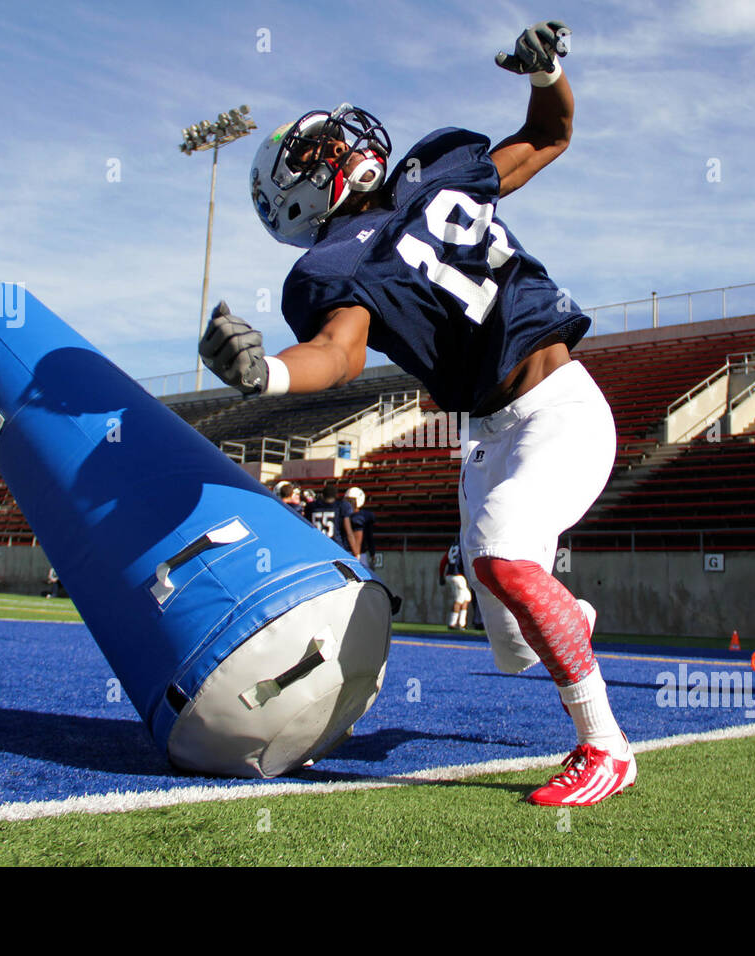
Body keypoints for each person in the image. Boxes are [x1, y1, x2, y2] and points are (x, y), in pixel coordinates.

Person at [199, 20, 631, 807]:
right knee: (510, 648)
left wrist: (546, 75)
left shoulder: (440, 169)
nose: (329, 147)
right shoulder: (335, 264)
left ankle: (605, 744)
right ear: (302, 196)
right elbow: (339, 353)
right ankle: (568, 619)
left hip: (561, 404)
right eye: (310, 157)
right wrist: (265, 376)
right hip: (488, 436)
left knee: (501, 554)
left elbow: (548, 135)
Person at [304, 480, 357, 555]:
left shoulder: (311, 507)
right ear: (336, 495)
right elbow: (349, 532)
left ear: (323, 495)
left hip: (316, 547)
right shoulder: (341, 506)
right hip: (335, 547)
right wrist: (356, 553)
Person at [438, 543, 473, 630]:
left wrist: (441, 576)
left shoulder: (452, 547)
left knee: (467, 598)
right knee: (459, 600)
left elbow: (443, 562)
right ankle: (452, 623)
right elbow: (466, 563)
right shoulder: (463, 548)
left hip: (451, 575)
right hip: (458, 576)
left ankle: (461, 623)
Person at [344, 486, 376, 568]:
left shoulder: (362, 516)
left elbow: (369, 536)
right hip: (351, 553)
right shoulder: (344, 514)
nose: (349, 503)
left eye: (351, 500)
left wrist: (372, 552)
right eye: (348, 500)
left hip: (356, 553)